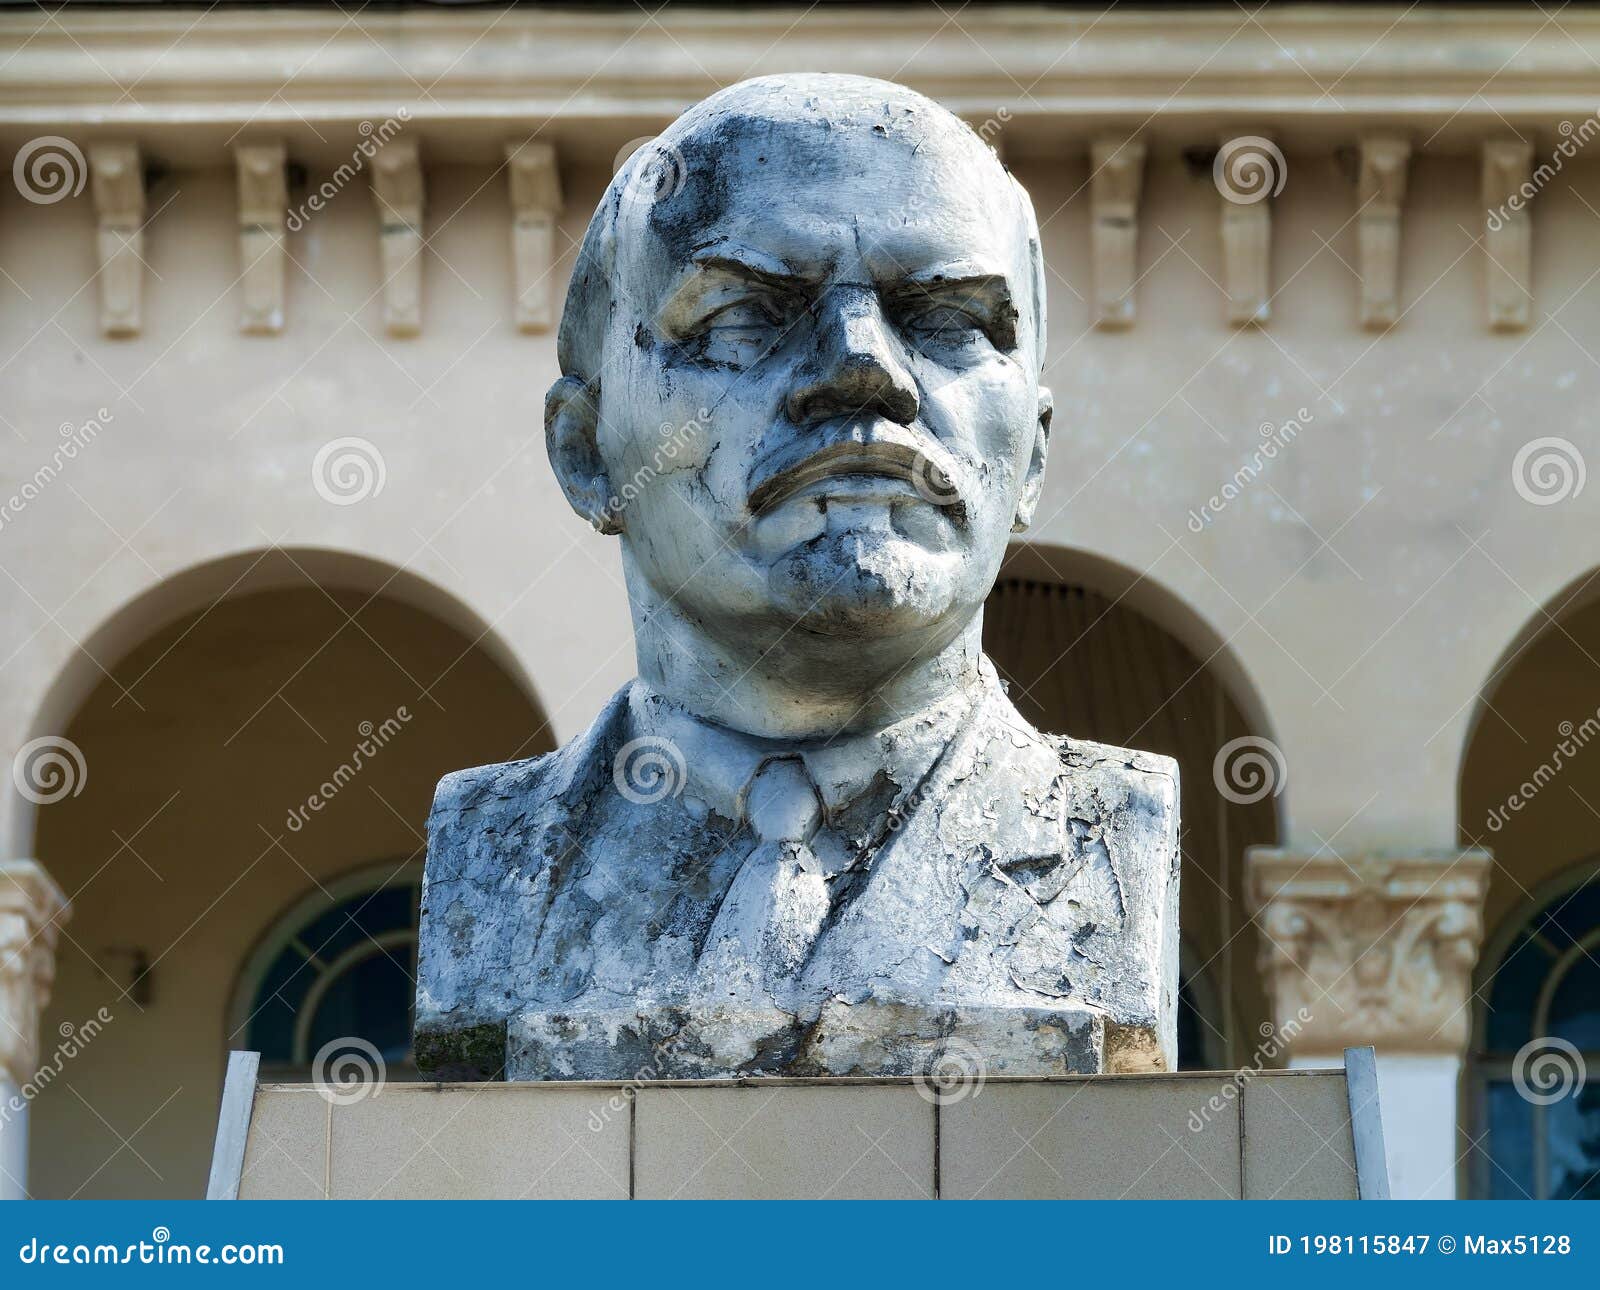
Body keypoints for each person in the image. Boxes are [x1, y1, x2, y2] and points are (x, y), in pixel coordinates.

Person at [416, 74, 1178, 1081]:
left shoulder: (1112, 838)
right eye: (744, 316)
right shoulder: (493, 861)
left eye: (948, 320)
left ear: (1031, 457)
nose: (865, 372)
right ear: (586, 451)